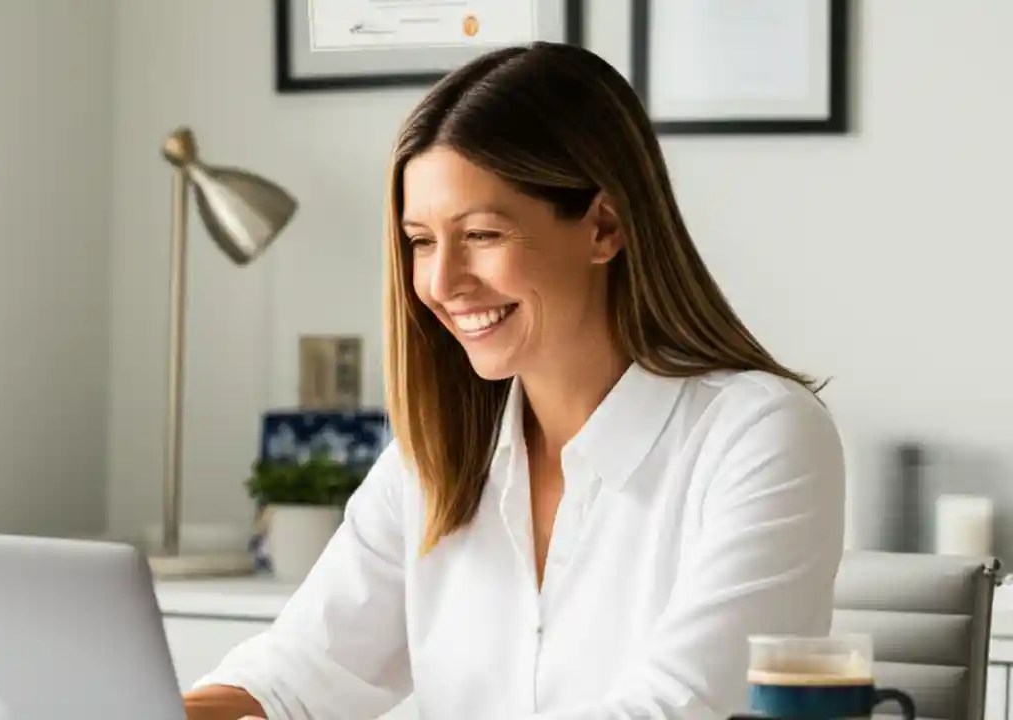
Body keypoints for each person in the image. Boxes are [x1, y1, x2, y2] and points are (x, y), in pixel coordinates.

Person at [183, 42, 844, 720]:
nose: (441, 285)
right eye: (421, 241)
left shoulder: (760, 436)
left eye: (482, 235)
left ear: (603, 227)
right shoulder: (438, 452)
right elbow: (298, 673)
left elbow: (681, 707)